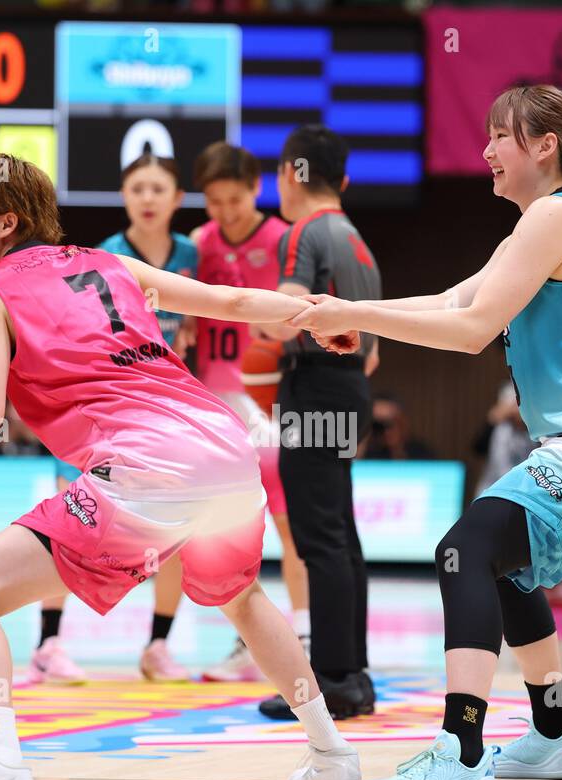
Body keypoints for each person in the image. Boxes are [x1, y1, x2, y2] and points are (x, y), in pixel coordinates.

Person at [0, 152, 361, 780]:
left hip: (150, 467)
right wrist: (320, 314)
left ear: (6, 219)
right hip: (228, 453)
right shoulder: (107, 264)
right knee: (242, 598)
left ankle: (0, 774)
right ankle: (333, 755)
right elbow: (231, 303)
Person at [291, 84, 562, 780]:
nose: (487, 151)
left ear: (544, 147)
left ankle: (461, 751)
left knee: (462, 548)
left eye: (502, 137)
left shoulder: (556, 215)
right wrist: (348, 316)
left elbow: (470, 333)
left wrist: (351, 313)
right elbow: (450, 303)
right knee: (503, 566)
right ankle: (555, 733)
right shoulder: (540, 224)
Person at [33, 151, 199, 685]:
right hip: (99, 409)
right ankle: (48, 643)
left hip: (162, 413)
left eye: (158, 189)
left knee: (176, 527)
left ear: (176, 199)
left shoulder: (191, 253)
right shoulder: (104, 257)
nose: (148, 198)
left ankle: (157, 646)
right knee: (72, 520)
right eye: (138, 189)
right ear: (125, 197)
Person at [257, 125, 382, 721]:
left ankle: (332, 681)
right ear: (347, 181)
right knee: (341, 534)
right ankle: (352, 675)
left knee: (319, 537)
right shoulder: (358, 241)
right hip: (354, 387)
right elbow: (374, 347)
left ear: (289, 174)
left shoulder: (304, 231)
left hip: (314, 388)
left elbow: (286, 316)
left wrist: (256, 320)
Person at [187, 141, 309, 682]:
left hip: (270, 400)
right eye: (214, 202)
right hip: (214, 403)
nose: (225, 212)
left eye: (234, 200)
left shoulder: (283, 239)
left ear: (254, 189)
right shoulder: (197, 244)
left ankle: (304, 635)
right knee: (235, 526)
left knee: (290, 520)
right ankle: (250, 643)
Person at [361, 393, 437, 460]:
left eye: (389, 422)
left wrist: (397, 448)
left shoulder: (421, 452)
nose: (384, 429)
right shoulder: (368, 452)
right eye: (378, 424)